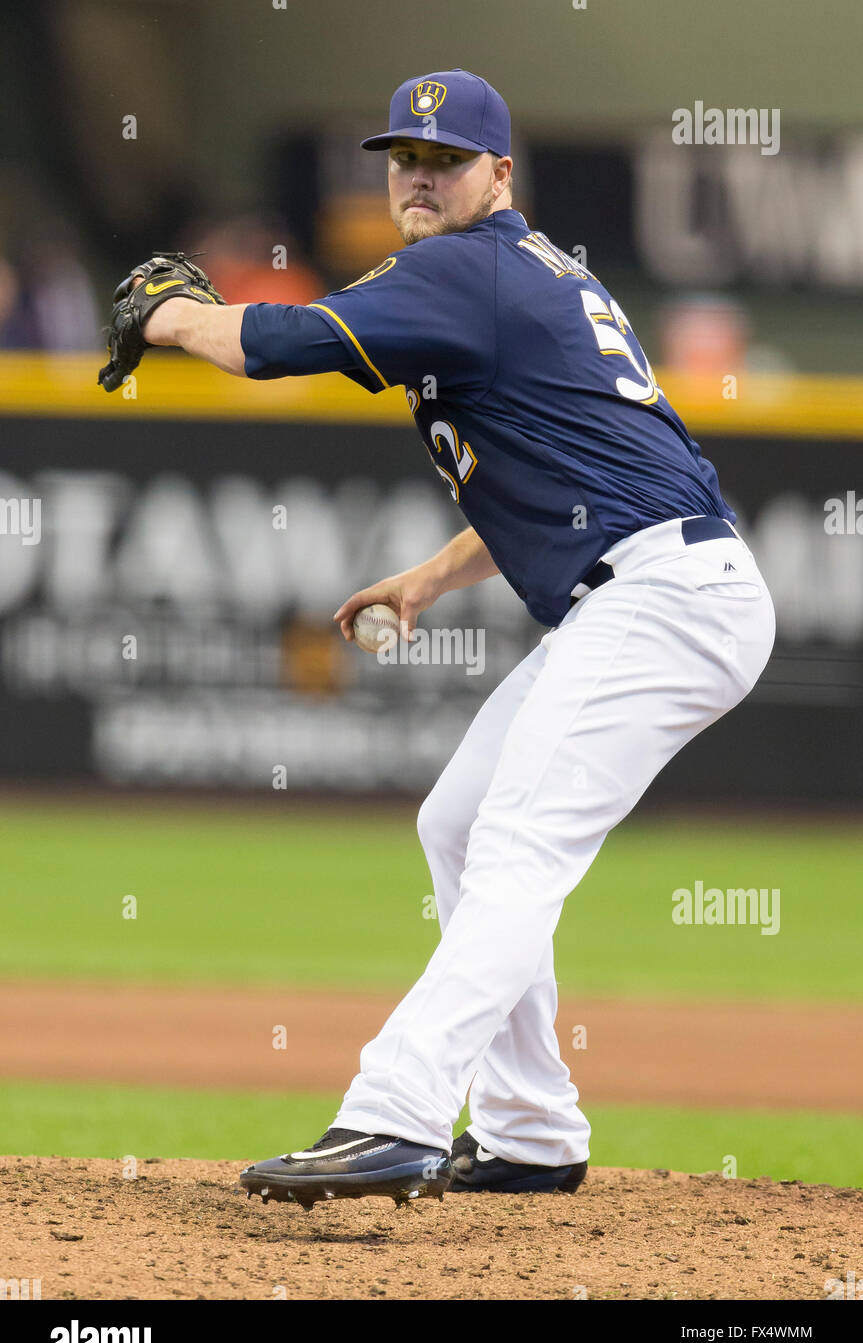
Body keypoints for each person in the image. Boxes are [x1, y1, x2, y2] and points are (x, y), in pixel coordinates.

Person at [112, 69, 776, 1209]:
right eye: (403, 160)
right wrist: (431, 575)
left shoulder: (464, 269)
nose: (418, 179)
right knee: (460, 823)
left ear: (497, 174)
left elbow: (271, 344)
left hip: (666, 597)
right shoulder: (523, 271)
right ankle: (529, 1130)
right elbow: (583, 476)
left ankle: (394, 1114)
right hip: (656, 580)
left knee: (517, 837)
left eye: (445, 161)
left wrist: (166, 314)